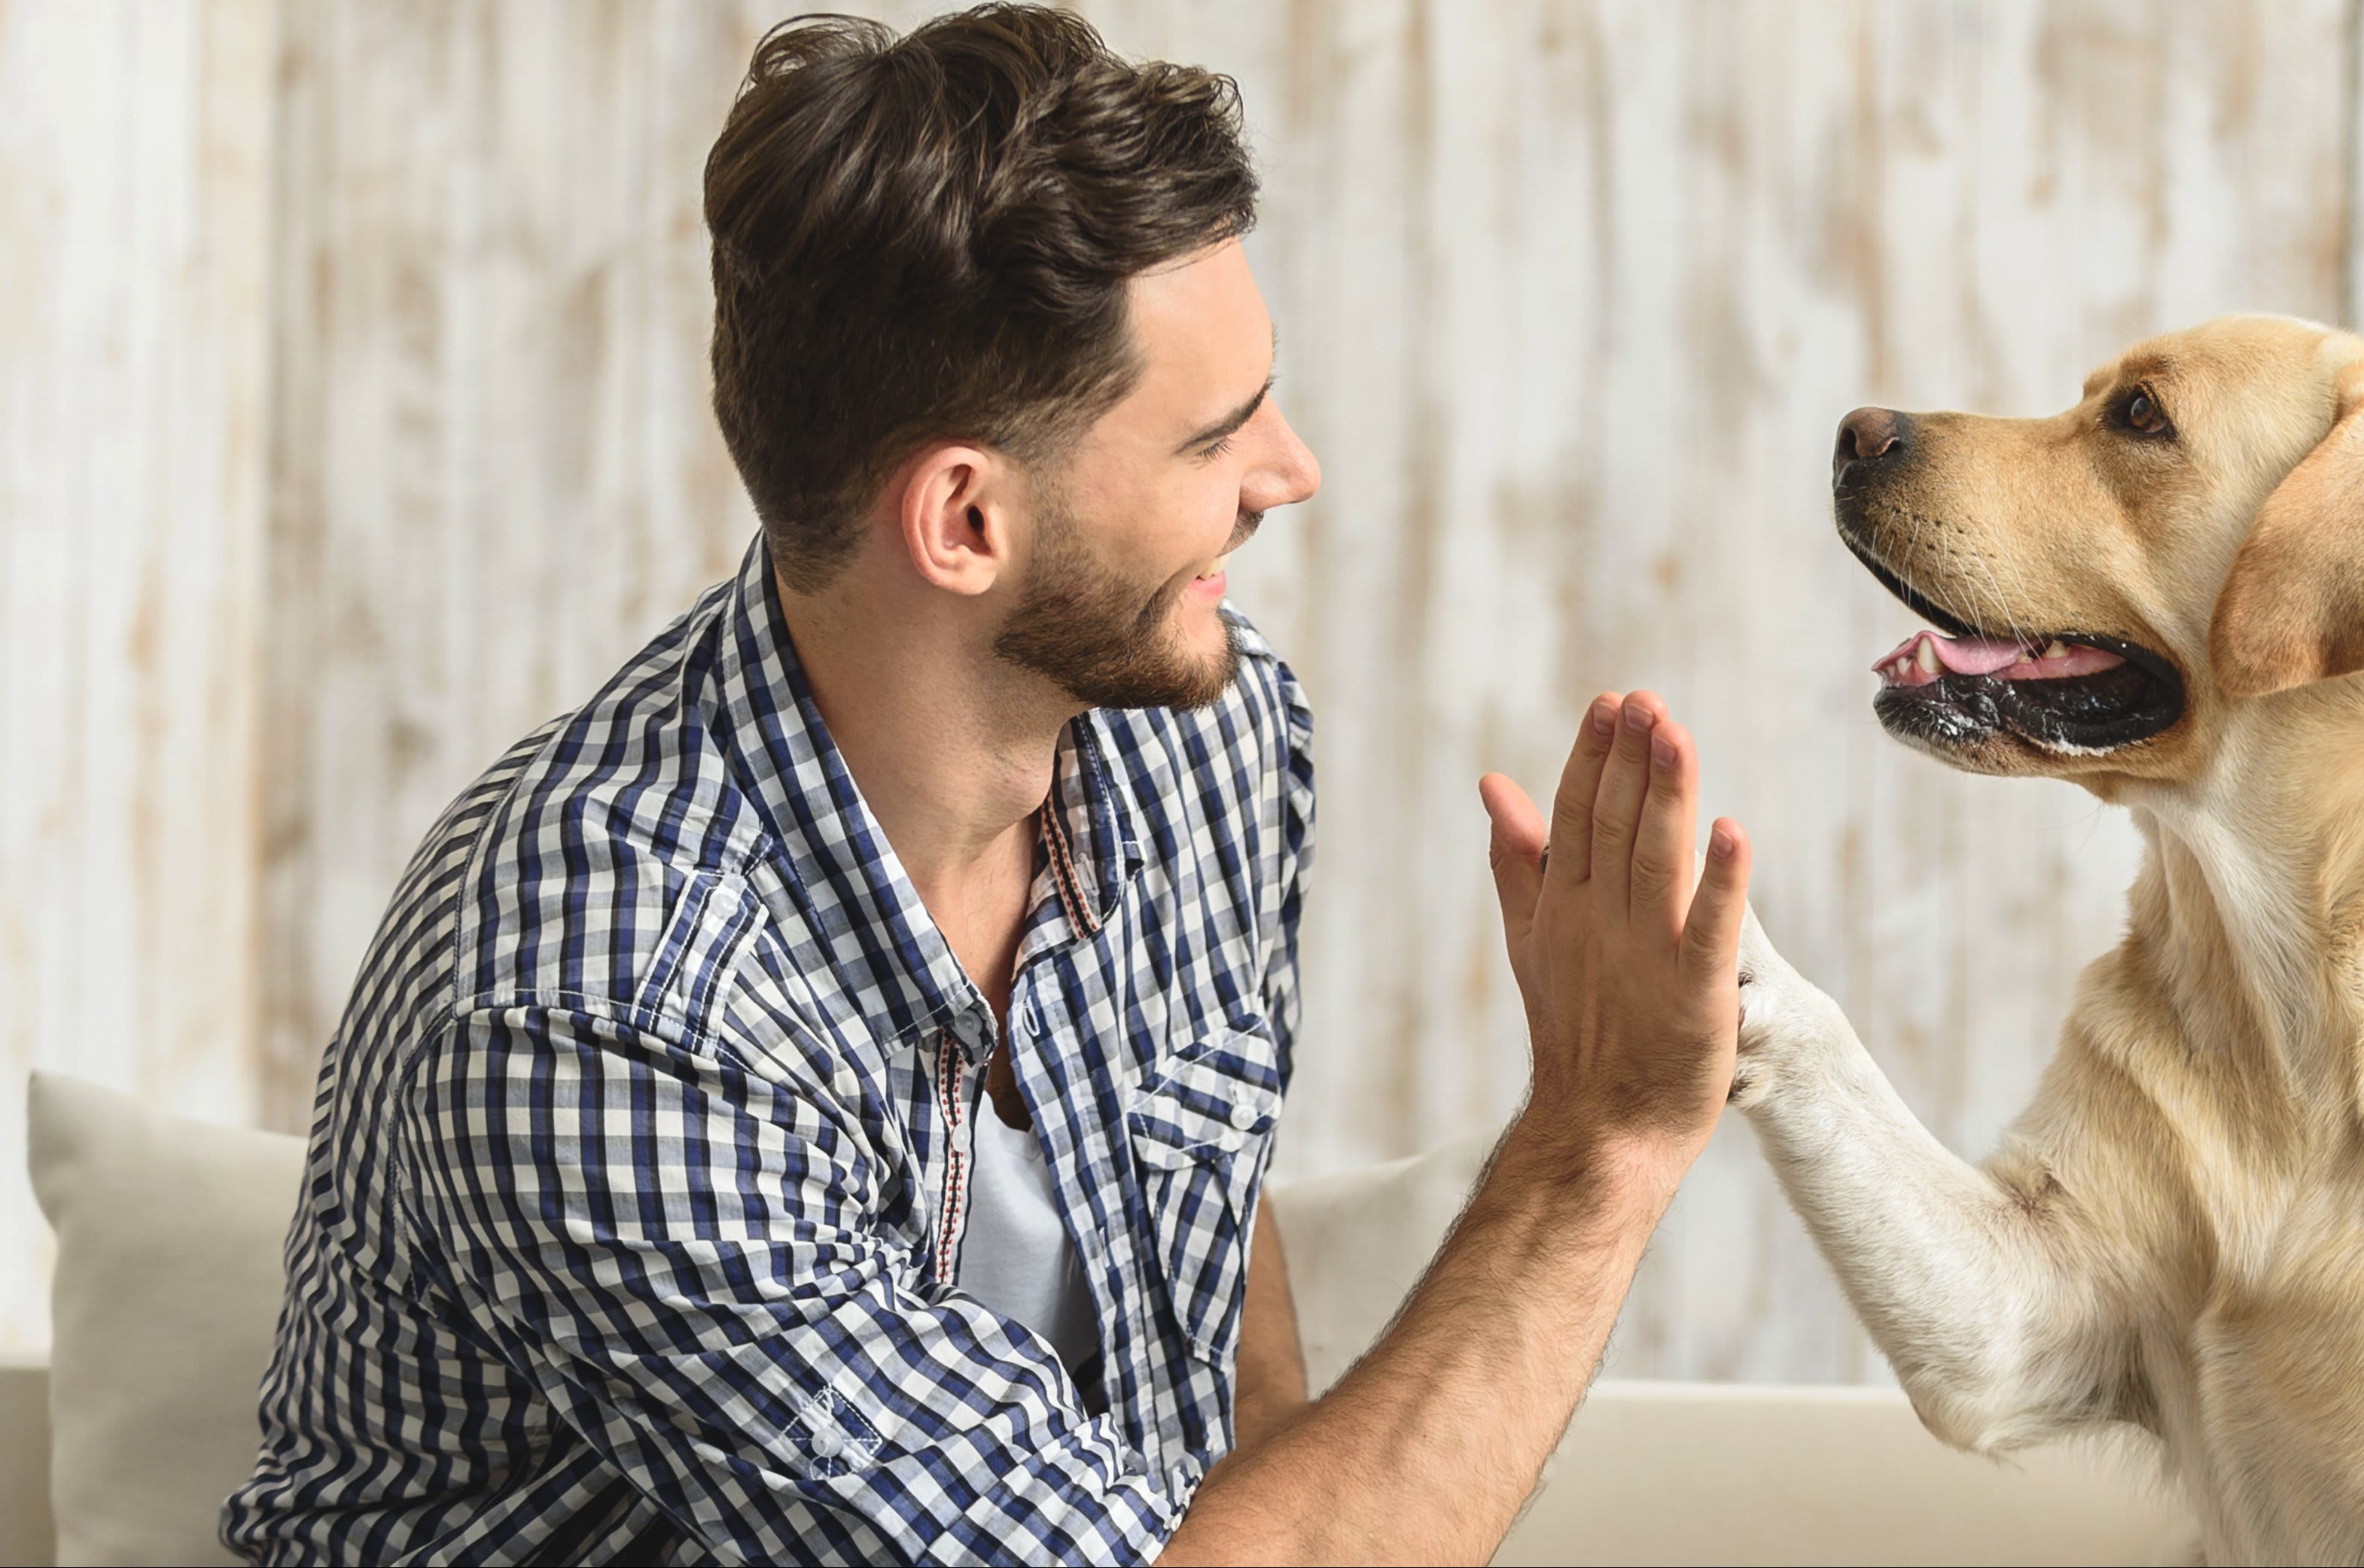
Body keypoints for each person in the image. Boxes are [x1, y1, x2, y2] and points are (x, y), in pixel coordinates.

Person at [221, 7, 1750, 1561]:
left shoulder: (1202, 741)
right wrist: (1598, 1141)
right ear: (964, 521)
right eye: (1215, 436)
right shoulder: (603, 1006)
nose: (1289, 474)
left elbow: (1208, 1263)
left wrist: (1296, 1464)